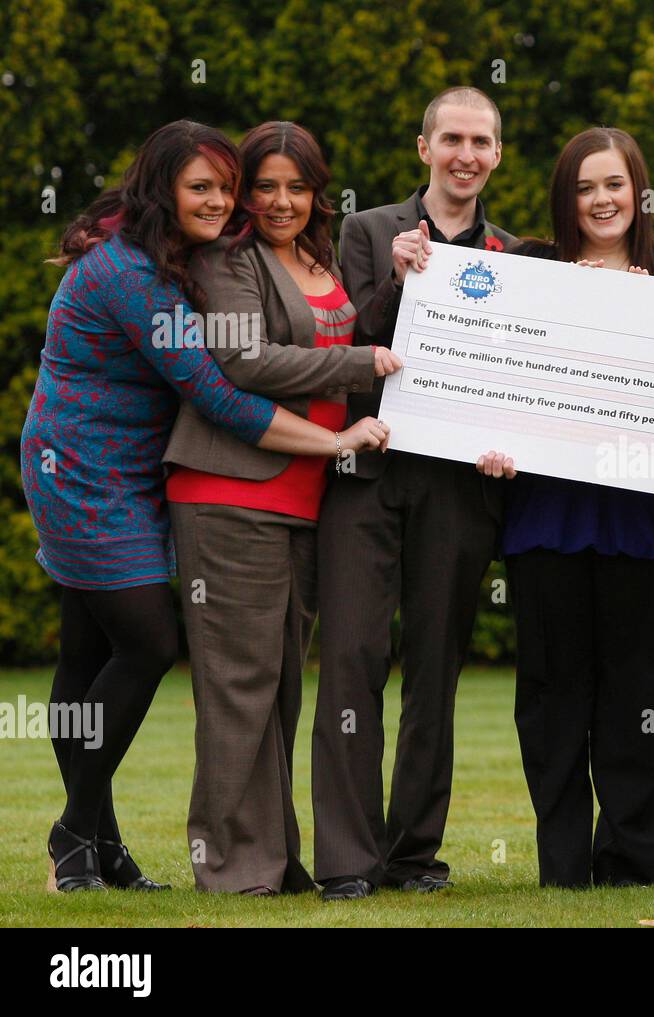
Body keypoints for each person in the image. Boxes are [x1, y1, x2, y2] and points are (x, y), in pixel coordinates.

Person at [19, 120, 390, 894]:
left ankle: (98, 846)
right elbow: (220, 389)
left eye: (227, 187)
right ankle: (74, 831)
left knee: (84, 656)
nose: (222, 201)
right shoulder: (128, 273)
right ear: (163, 189)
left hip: (140, 465)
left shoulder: (171, 255)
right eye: (202, 187)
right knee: (150, 639)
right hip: (82, 469)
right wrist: (334, 443)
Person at [162, 122, 402, 895]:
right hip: (231, 496)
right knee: (238, 689)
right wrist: (359, 361)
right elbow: (244, 359)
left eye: (296, 186)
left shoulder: (320, 259)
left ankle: (271, 857)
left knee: (279, 690)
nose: (279, 201)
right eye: (263, 185)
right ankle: (231, 869)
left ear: (316, 192)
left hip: (305, 503)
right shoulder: (226, 259)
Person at [475, 127, 654, 887]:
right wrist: (488, 437)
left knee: (630, 695)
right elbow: (479, 364)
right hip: (548, 514)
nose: (601, 200)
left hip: (642, 519)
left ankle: (638, 857)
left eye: (614, 184)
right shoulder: (529, 270)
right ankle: (563, 862)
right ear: (563, 197)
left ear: (638, 190)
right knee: (550, 693)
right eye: (584, 187)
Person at [311, 87, 515, 901]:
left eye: (483, 141)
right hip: (367, 472)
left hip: (461, 486)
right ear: (423, 146)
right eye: (453, 138)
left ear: (498, 155)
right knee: (354, 657)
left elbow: (528, 376)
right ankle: (347, 860)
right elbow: (350, 343)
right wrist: (400, 280)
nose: (467, 153)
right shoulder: (366, 232)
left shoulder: (513, 252)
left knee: (436, 667)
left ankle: (413, 854)